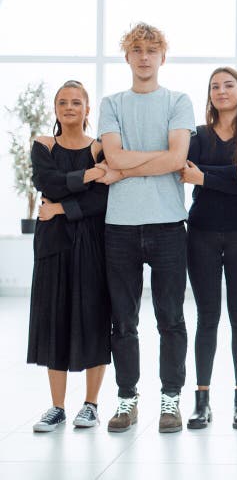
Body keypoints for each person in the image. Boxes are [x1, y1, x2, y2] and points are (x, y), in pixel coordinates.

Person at [96, 23, 195, 433]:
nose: (144, 56)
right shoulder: (112, 102)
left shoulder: (178, 100)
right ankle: (126, 398)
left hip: (169, 224)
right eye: (136, 49)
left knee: (170, 318)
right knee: (123, 320)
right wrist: (151, 159)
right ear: (127, 56)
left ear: (162, 57)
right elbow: (113, 155)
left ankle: (170, 399)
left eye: (151, 49)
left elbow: (176, 160)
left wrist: (124, 165)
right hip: (119, 226)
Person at [180, 67, 237, 430]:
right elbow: (190, 173)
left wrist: (206, 177)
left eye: (229, 85)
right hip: (201, 232)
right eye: (215, 86)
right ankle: (202, 401)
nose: (221, 91)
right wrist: (233, 173)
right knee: (207, 317)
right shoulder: (196, 135)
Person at [28, 80, 110, 432]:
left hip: (90, 242)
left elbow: (102, 200)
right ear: (55, 109)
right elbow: (47, 182)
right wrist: (88, 176)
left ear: (87, 109)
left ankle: (90, 405)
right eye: (63, 102)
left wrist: (61, 209)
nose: (69, 107)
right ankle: (57, 407)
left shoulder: (99, 148)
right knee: (54, 320)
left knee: (93, 317)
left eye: (77, 102)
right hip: (52, 246)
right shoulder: (43, 145)